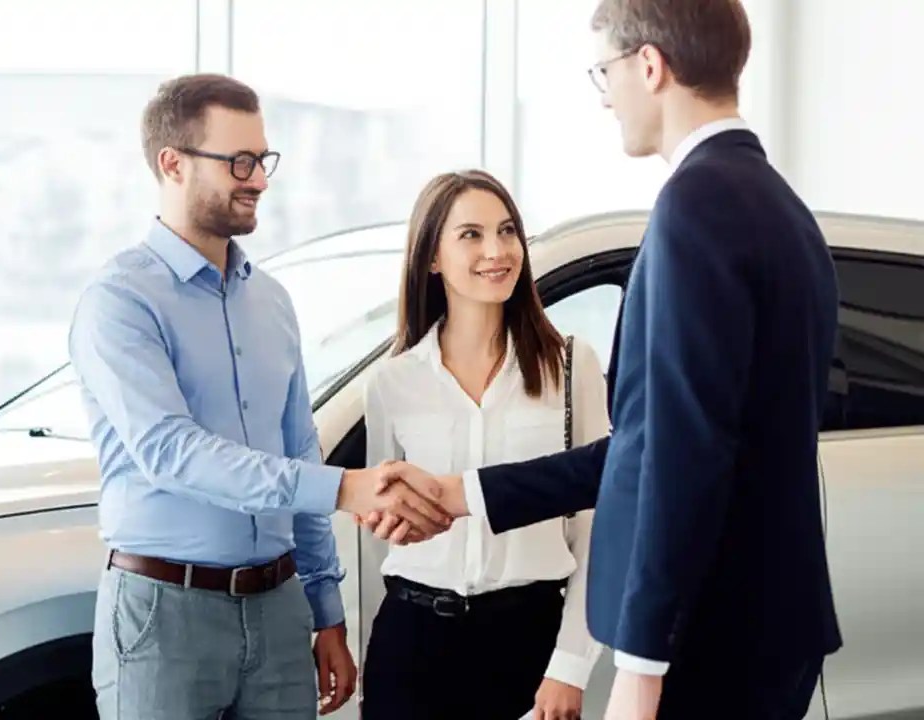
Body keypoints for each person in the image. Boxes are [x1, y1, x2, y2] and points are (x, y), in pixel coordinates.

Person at [365, 1, 843, 718]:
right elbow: (647, 446)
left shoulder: (695, 207)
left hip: (712, 631)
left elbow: (682, 451)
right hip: (766, 624)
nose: (607, 96)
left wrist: (642, 663)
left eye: (606, 72)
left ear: (649, 65)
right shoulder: (779, 206)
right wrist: (463, 494)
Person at [67, 72, 450, 720]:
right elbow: (171, 451)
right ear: (173, 163)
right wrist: (345, 490)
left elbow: (299, 446)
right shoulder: (121, 300)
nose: (260, 180)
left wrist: (326, 610)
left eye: (263, 160)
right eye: (240, 161)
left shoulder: (271, 301)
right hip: (165, 615)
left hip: (278, 612)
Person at [356, 169, 611, 720]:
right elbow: (385, 531)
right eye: (470, 234)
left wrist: (569, 664)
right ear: (431, 258)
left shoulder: (571, 367)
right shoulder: (393, 382)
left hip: (528, 641)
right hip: (412, 644)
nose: (496, 250)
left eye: (507, 231)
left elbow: (600, 524)